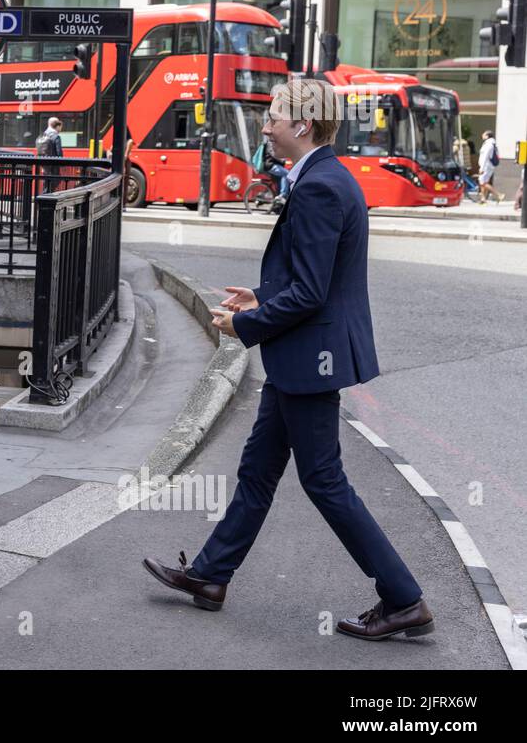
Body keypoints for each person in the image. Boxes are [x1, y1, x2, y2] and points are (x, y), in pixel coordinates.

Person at [143, 78, 433, 642]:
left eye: (274, 115)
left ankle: (403, 598)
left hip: (311, 358)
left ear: (302, 126)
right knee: (258, 471)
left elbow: (312, 294)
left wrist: (244, 325)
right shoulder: (320, 177)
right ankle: (209, 576)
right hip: (303, 358)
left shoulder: (321, 186)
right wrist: (259, 298)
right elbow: (307, 282)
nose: (266, 124)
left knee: (325, 482)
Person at [477, 129, 504, 203]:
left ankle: (499, 194)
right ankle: (483, 198)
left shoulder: (488, 145)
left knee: (482, 182)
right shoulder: (492, 144)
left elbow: (485, 157)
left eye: (484, 134)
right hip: (488, 166)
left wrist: (482, 168)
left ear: (487, 136)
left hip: (486, 166)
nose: (482, 135)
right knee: (484, 181)